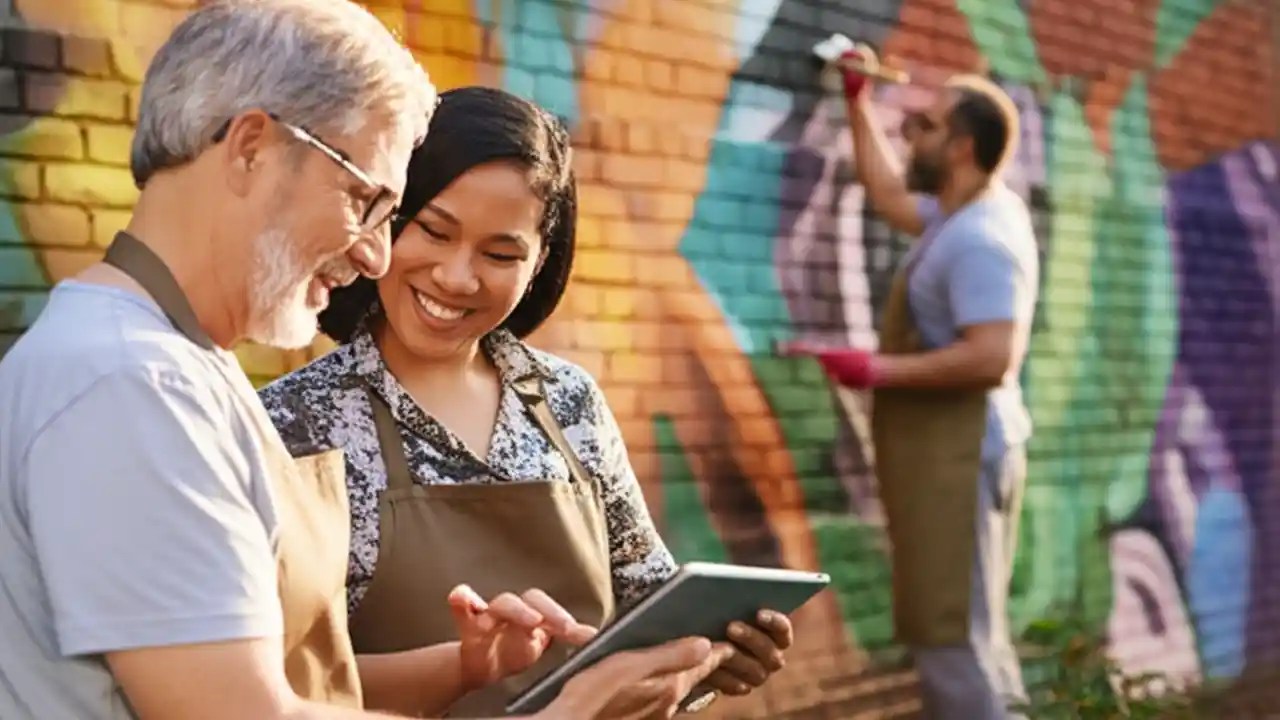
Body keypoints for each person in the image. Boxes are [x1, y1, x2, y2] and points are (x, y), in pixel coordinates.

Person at [0, 2, 729, 718]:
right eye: (365, 199)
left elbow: (292, 685)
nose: (376, 253)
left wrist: (463, 667)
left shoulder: (176, 369)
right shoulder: (132, 387)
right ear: (252, 146)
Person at [258, 85, 796, 717]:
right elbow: (279, 683)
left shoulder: (568, 402)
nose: (458, 277)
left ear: (540, 263)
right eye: (433, 231)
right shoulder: (293, 423)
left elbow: (645, 610)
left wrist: (707, 660)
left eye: (500, 253)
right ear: (383, 220)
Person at [786, 46, 1039, 719]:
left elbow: (992, 356)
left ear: (959, 147)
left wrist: (874, 369)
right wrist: (857, 100)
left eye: (924, 126)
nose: (909, 133)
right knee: (969, 630)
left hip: (961, 460)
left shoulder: (980, 238)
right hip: (954, 457)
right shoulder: (960, 213)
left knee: (950, 633)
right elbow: (889, 192)